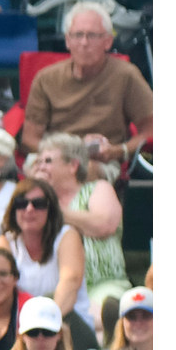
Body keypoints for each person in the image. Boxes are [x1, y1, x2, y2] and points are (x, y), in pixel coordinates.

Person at [22, 2, 151, 169]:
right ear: (67, 41)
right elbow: (29, 139)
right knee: (40, 175)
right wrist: (62, 154)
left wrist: (119, 151)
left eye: (92, 35)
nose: (84, 42)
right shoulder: (46, 78)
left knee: (85, 171)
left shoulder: (125, 75)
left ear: (108, 41)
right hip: (55, 155)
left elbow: (151, 129)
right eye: (78, 35)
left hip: (103, 160)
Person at [29, 134, 129, 318]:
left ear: (73, 165)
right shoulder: (33, 203)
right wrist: (37, 194)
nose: (41, 166)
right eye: (39, 161)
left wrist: (54, 210)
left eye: (48, 161)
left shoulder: (98, 188)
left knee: (100, 318)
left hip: (103, 285)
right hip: (53, 288)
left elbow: (104, 224)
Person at [0, 178, 86, 327]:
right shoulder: (5, 242)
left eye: (38, 204)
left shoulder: (67, 236)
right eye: (21, 203)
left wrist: (46, 324)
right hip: (21, 327)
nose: (29, 209)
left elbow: (70, 282)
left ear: (50, 209)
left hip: (66, 322)